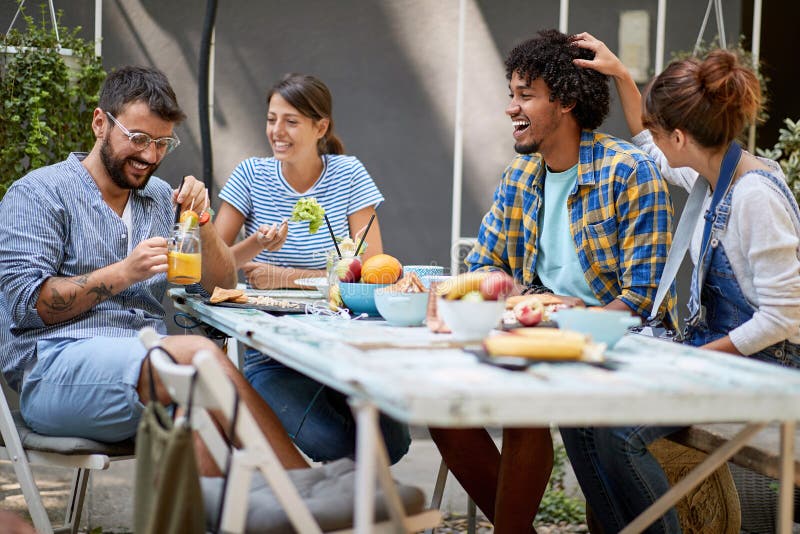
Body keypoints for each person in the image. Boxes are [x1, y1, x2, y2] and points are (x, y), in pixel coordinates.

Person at [0, 66, 307, 471]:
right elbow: (27, 305)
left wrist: (201, 220)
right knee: (198, 357)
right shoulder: (38, 194)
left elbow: (217, 288)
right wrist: (125, 273)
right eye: (139, 138)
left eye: (162, 143)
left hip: (151, 370)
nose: (150, 156)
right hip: (56, 373)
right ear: (100, 123)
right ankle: (305, 491)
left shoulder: (161, 199)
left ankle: (263, 506)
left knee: (198, 426)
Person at [429, 29, 676, 533]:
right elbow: (483, 264)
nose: (511, 108)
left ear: (565, 101)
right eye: (511, 94)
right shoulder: (520, 176)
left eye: (525, 95)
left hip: (620, 347)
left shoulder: (628, 172)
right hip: (537, 336)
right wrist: (527, 296)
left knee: (524, 405)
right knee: (442, 411)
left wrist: (560, 311)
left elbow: (643, 302)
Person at [563, 33, 800, 533]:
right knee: (579, 410)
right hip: (723, 359)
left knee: (621, 432)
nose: (651, 140)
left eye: (660, 130)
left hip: (768, 371)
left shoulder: (754, 197)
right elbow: (646, 142)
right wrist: (621, 75)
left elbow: (785, 315)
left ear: (680, 137)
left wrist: (698, 358)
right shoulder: (709, 180)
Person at [213, 73, 410, 464]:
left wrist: (278, 276)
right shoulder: (251, 176)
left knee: (392, 443)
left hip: (343, 347)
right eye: (271, 119)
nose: (277, 131)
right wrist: (254, 247)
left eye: (291, 121)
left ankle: (349, 500)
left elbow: (372, 274)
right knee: (334, 443)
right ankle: (347, 500)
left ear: (321, 127)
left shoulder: (348, 174)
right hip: (272, 356)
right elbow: (212, 267)